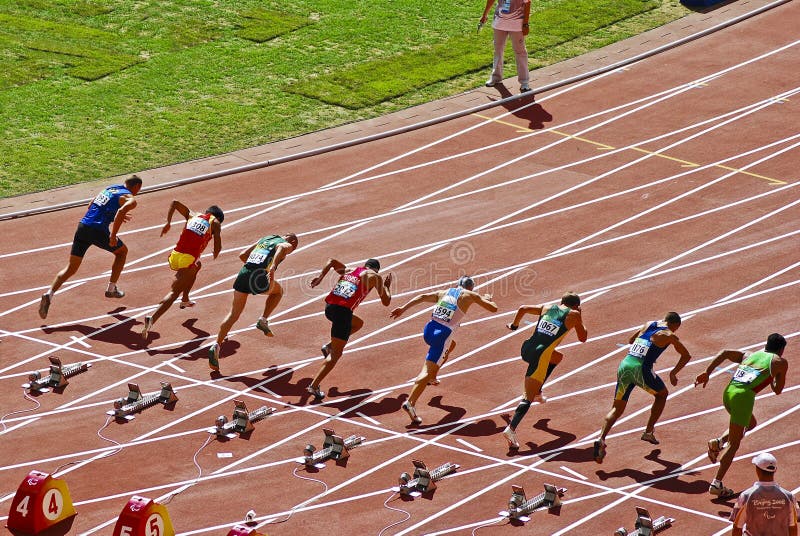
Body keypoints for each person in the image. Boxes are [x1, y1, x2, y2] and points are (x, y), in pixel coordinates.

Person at [389, 276, 498, 425]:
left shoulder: (445, 292)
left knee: (451, 346)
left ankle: (433, 376)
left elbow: (422, 297)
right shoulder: (470, 295)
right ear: (471, 288)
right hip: (442, 335)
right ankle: (411, 402)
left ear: (458, 284)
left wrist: (403, 308)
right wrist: (488, 299)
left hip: (429, 330)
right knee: (426, 370)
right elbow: (494, 309)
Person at [694, 333, 789, 498]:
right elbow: (777, 390)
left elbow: (724, 352)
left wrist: (707, 372)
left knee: (750, 423)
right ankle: (717, 483)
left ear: (766, 345)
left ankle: (718, 442)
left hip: (729, 392)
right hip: (743, 398)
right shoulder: (779, 362)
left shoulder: (750, 355)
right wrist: (775, 376)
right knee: (734, 444)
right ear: (781, 350)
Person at [593, 312, 692, 463]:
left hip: (625, 365)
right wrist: (673, 373)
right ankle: (648, 431)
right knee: (662, 395)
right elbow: (686, 356)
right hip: (641, 369)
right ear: (675, 324)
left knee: (617, 408)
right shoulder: (669, 335)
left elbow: (631, 340)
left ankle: (601, 438)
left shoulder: (648, 324)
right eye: (676, 328)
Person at [39, 176, 142, 319]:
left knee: (71, 267)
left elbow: (91, 204)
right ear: (137, 186)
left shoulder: (110, 189)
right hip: (98, 230)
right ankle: (111, 289)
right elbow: (120, 212)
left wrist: (111, 214)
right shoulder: (130, 199)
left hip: (83, 227)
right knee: (122, 252)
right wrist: (113, 235)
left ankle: (49, 294)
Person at [502, 292, 587, 449]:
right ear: (576, 306)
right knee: (527, 397)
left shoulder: (548, 307)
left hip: (526, 348)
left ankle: (538, 391)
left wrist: (514, 326)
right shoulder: (574, 314)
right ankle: (511, 429)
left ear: (561, 302)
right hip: (540, 356)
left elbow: (523, 308)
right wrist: (579, 316)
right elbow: (583, 338)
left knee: (557, 357)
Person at [208, 233, 299, 371]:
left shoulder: (265, 239)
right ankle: (263, 320)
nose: (291, 251)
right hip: (258, 277)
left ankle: (216, 345)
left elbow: (242, 255)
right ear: (292, 242)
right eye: (294, 249)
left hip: (243, 274)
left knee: (233, 314)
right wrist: (273, 266)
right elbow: (282, 247)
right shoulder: (286, 243)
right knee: (278, 292)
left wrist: (253, 267)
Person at [306, 258, 392, 401]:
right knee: (336, 355)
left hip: (329, 308)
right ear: (376, 270)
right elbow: (386, 302)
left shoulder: (350, 270)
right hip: (343, 312)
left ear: (365, 265)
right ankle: (314, 386)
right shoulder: (375, 276)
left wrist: (320, 277)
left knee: (358, 324)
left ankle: (329, 346)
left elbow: (331, 261)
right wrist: (387, 287)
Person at [140, 201, 223, 339]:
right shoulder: (215, 223)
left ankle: (185, 298)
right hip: (187, 258)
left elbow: (174, 203)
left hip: (175, 255)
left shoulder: (193, 215)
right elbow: (218, 246)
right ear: (218, 218)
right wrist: (216, 252)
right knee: (174, 292)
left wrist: (168, 222)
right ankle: (152, 318)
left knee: (197, 266)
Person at [730, 452, 798, 536]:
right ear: (775, 470)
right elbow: (793, 527)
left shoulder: (746, 496)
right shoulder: (789, 497)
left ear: (757, 470)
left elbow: (737, 527)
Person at [480, 0, 532, 93]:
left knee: (520, 52)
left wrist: (525, 24)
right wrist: (484, 15)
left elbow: (527, 3)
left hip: (516, 24)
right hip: (499, 23)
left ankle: (524, 82)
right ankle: (496, 78)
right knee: (498, 50)